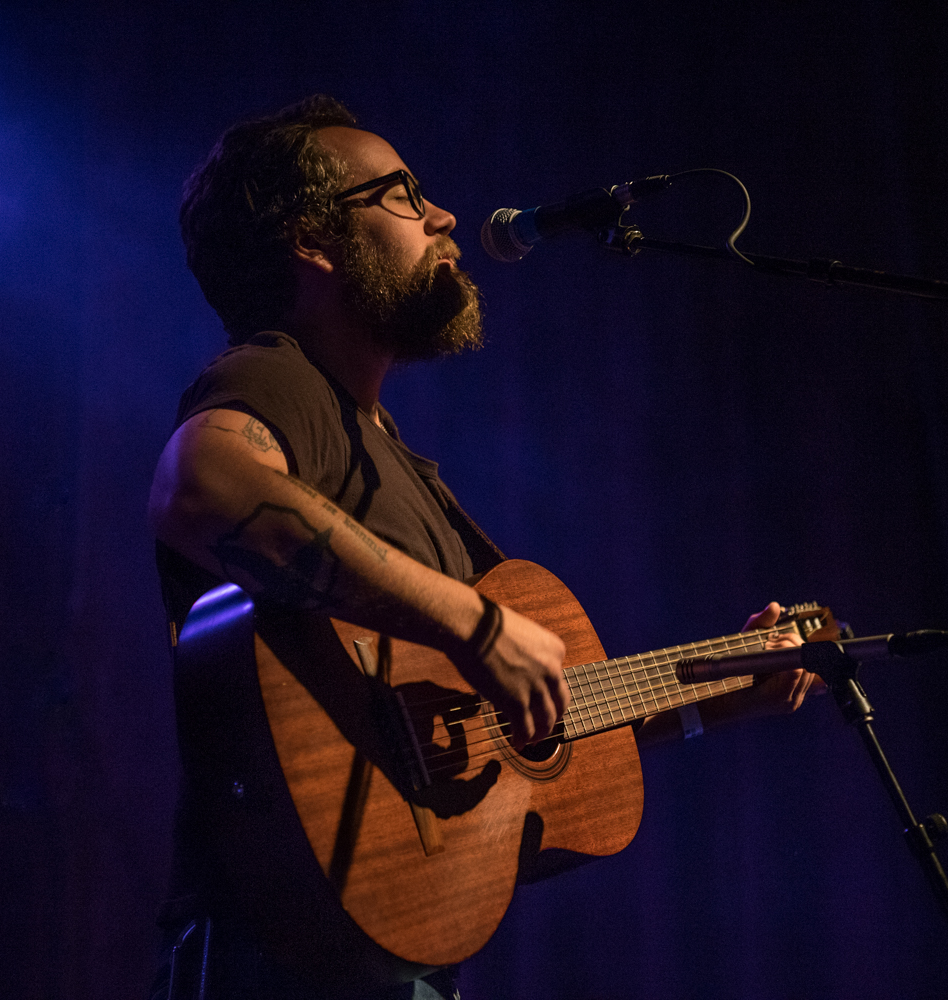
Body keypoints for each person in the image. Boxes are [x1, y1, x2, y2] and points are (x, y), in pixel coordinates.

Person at [147, 95, 820, 1000]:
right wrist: (475, 622)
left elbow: (508, 731)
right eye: (401, 193)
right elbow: (200, 488)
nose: (443, 216)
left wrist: (717, 694)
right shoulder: (276, 375)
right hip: (279, 958)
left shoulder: (391, 458)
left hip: (387, 956)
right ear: (312, 241)